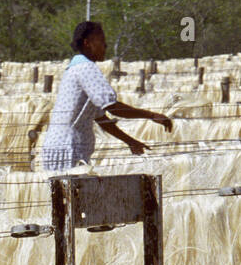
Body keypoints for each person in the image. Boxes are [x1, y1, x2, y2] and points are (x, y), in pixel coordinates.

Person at [41, 21, 173, 171]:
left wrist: (130, 141)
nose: (105, 46)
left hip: (61, 147)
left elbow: (101, 118)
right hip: (68, 149)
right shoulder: (86, 68)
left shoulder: (76, 69)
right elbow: (113, 108)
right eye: (102, 41)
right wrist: (152, 115)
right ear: (87, 43)